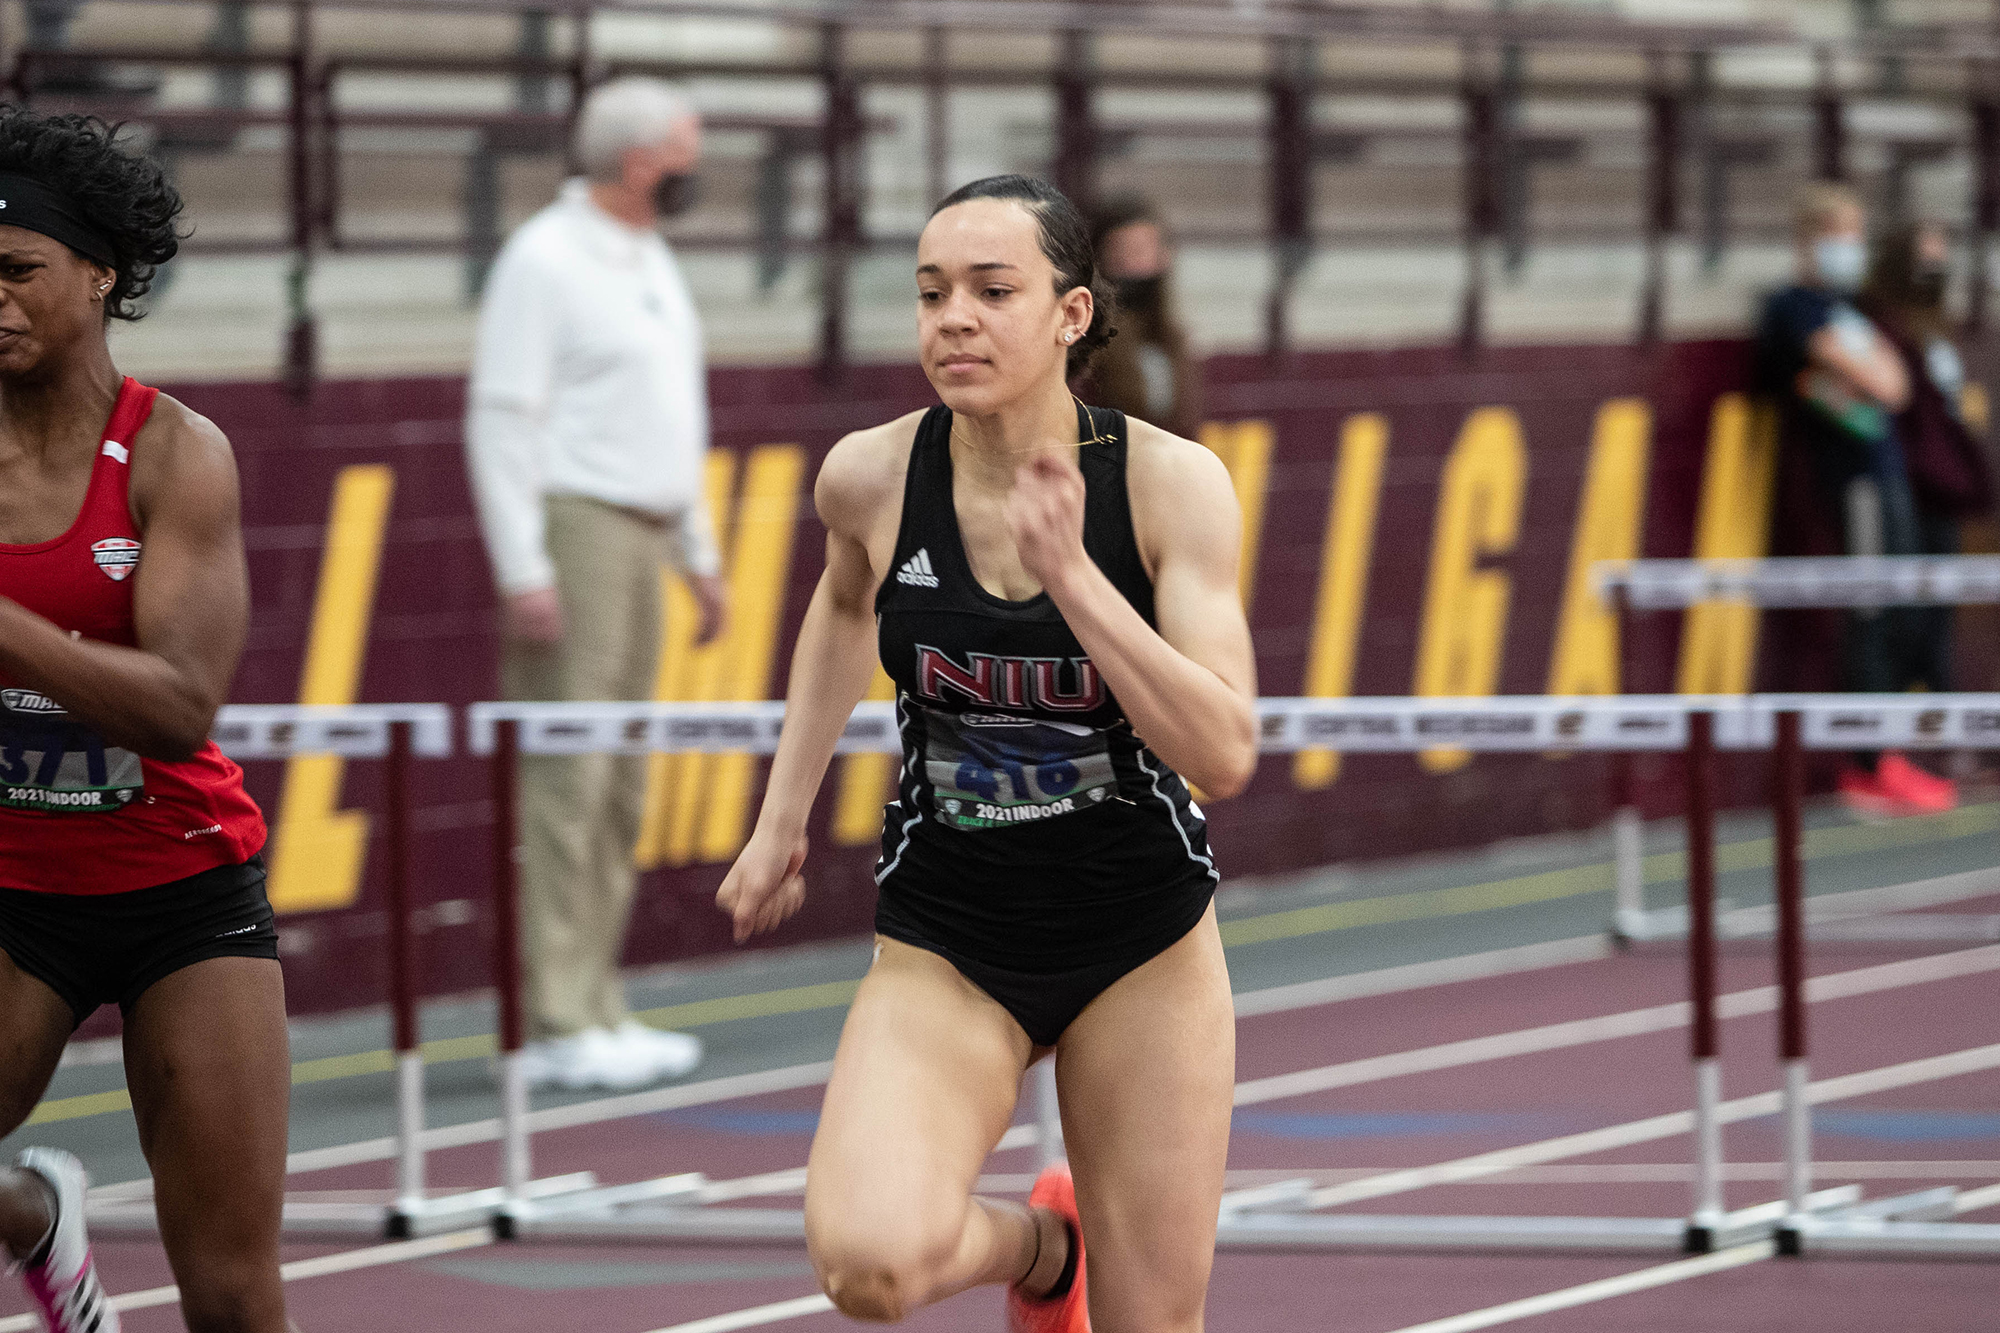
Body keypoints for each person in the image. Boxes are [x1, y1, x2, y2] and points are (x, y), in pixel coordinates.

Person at [716, 174, 1256, 1332]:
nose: (951, 318)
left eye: (989, 289)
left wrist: (1075, 582)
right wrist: (778, 823)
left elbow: (1222, 747)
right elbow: (841, 609)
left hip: (1138, 938)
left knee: (1155, 1322)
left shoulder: (1166, 485)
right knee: (865, 1266)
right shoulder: (870, 474)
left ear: (1069, 313)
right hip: (949, 933)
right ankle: (1045, 1249)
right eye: (929, 293)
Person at [0, 110, 288, 1332]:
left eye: (18, 271)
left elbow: (176, 707)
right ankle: (33, 1218)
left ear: (103, 273)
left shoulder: (175, 454)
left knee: (226, 1283)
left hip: (181, 889)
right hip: (15, 892)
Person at [466, 77, 728, 1092]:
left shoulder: (647, 255)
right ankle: (555, 1014)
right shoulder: (544, 257)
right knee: (567, 781)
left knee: (618, 783)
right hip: (575, 528)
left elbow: (674, 414)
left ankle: (598, 997)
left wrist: (697, 552)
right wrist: (522, 564)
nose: (695, 168)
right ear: (638, 160)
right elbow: (502, 417)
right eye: (686, 148)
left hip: (646, 532)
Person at [1754, 183, 1949, 816]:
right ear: (1810, 240)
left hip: (1886, 473)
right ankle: (1867, 762)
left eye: (1857, 235)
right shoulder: (1796, 308)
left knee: (1899, 612)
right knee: (1870, 614)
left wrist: (1868, 375)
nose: (1851, 248)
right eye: (1840, 234)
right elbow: (1875, 382)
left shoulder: (1850, 310)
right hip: (1853, 479)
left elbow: (1894, 385)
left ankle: (1886, 753)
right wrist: (1864, 376)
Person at [1858, 220, 1996, 714]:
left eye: (1940, 260)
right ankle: (1901, 732)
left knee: (1938, 612)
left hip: (1944, 489)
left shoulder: (1938, 327)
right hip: (1904, 485)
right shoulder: (1883, 325)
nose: (1933, 270)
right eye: (1924, 259)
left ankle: (1939, 726)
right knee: (1898, 614)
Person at [1081, 197, 1203, 440]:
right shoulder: (1088, 333)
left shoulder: (1170, 333)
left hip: (1168, 459)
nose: (1133, 260)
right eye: (1123, 249)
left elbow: (1186, 418)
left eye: (1143, 249)